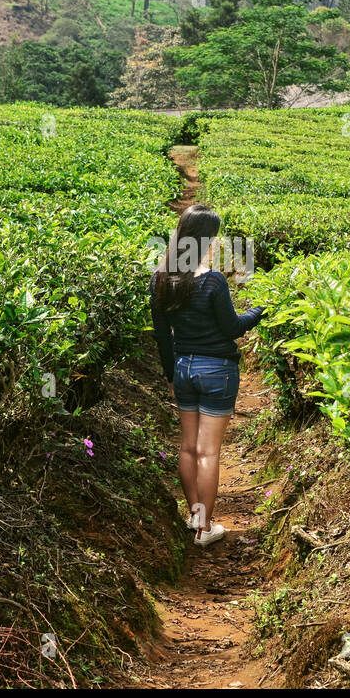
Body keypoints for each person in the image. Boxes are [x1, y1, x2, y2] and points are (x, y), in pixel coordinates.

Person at [150, 204, 265, 546]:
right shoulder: (212, 281)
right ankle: (205, 529)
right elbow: (232, 328)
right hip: (218, 371)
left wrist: (171, 374)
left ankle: (194, 516)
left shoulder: (161, 279)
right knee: (208, 452)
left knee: (188, 447)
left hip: (184, 369)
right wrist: (259, 311)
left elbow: (161, 335)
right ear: (206, 240)